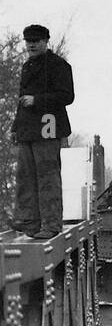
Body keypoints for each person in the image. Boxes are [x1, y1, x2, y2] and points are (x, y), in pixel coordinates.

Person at [10, 25, 74, 240]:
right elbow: (22, 100)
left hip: (48, 125)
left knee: (47, 176)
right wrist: (16, 127)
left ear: (47, 41)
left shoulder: (58, 66)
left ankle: (51, 224)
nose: (32, 44)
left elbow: (67, 96)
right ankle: (29, 222)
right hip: (27, 129)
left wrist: (36, 100)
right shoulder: (28, 65)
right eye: (28, 41)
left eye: (36, 40)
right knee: (25, 176)